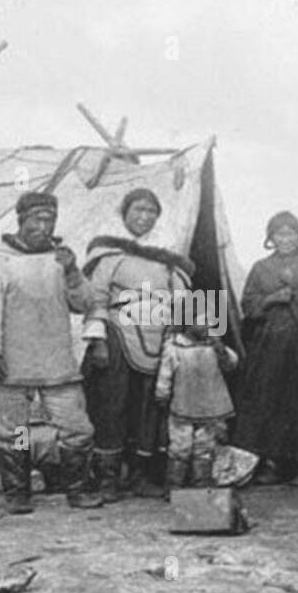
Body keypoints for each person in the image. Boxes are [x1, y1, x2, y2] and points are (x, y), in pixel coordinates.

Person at [0, 191, 102, 514]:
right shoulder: (0, 265)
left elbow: (85, 303)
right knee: (16, 431)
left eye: (49, 219)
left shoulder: (61, 261)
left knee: (77, 428)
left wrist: (73, 271)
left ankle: (78, 488)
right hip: (14, 364)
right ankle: (18, 492)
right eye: (36, 218)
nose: (43, 225)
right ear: (21, 220)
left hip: (56, 361)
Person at [81, 188, 195, 501]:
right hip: (119, 333)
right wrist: (99, 340)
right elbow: (97, 298)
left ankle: (141, 474)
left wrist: (177, 331)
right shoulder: (108, 254)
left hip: (157, 338)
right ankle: (108, 477)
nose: (143, 217)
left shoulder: (167, 258)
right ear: (125, 212)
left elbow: (181, 300)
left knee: (149, 407)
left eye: (150, 212)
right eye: (138, 210)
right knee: (112, 403)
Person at [233, 211, 298, 486]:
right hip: (270, 349)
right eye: (279, 234)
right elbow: (248, 306)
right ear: (271, 238)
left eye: (290, 233)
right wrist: (271, 299)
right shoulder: (261, 268)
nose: (285, 239)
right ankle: (272, 462)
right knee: (271, 402)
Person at [154, 320, 239, 491]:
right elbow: (165, 373)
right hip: (184, 403)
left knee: (205, 444)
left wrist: (220, 348)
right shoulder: (174, 347)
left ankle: (201, 482)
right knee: (180, 445)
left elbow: (231, 365)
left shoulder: (213, 345)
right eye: (201, 323)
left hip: (210, 404)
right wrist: (162, 393)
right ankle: (174, 484)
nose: (207, 327)